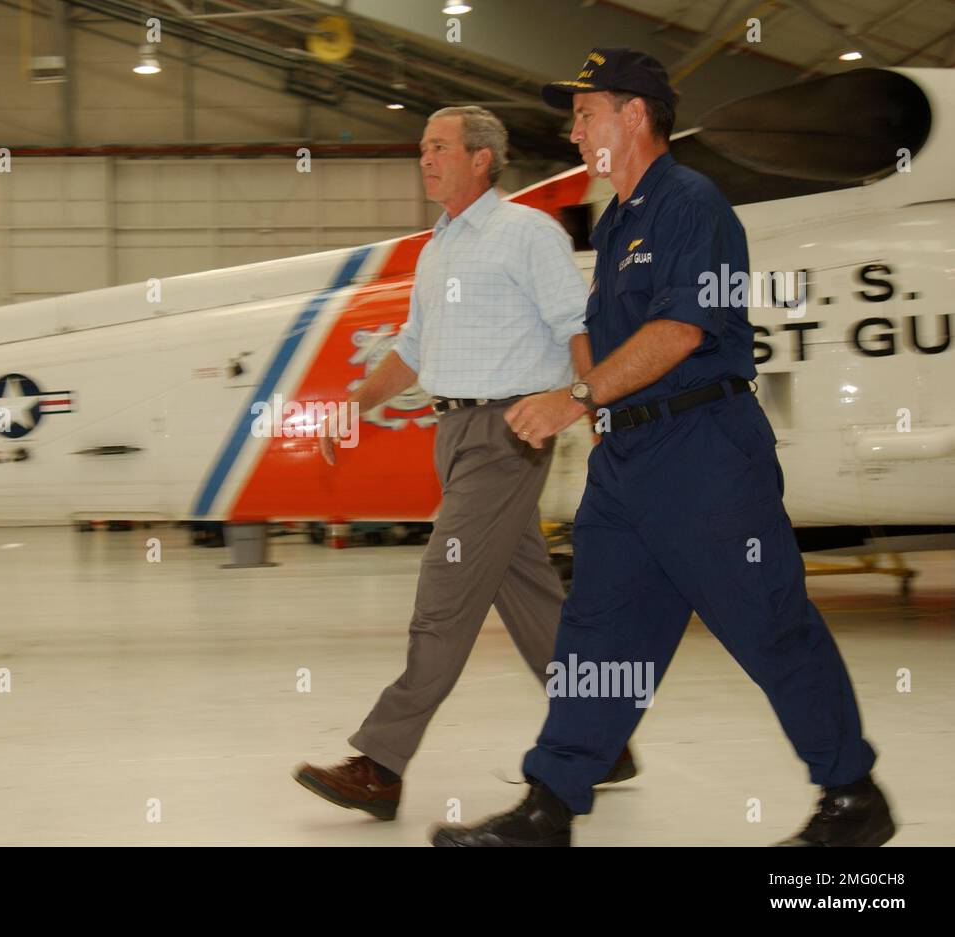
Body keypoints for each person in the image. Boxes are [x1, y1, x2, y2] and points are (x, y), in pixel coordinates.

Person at [432, 49, 893, 847]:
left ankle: (853, 795)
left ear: (634, 114)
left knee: (767, 624)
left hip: (704, 453)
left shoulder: (693, 206)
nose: (573, 132)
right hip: (629, 459)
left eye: (585, 114)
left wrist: (573, 399)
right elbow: (605, 343)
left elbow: (681, 329)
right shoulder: (618, 222)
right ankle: (552, 800)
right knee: (598, 631)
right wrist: (579, 402)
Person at [293, 105, 635, 822]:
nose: (425, 158)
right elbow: (415, 347)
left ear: (482, 159)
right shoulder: (440, 245)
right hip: (454, 431)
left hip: (510, 428)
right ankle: (604, 737)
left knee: (445, 592)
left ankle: (381, 762)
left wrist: (595, 405)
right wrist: (356, 402)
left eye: (439, 146)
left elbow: (577, 324)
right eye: (423, 147)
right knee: (530, 595)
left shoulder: (526, 234)